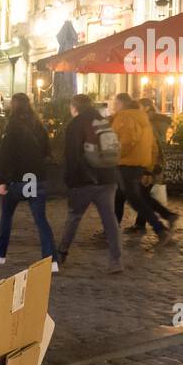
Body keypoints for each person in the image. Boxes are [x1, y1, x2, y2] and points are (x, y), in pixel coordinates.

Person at [0, 93, 57, 270]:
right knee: (41, 220)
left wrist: (2, 181)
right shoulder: (39, 126)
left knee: (7, 215)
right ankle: (51, 260)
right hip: (36, 179)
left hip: (19, 180)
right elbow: (48, 152)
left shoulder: (12, 127)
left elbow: (6, 156)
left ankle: (0, 252)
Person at [56, 94, 122, 274]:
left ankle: (61, 253)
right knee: (109, 219)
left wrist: (70, 179)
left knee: (74, 217)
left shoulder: (76, 124)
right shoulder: (103, 120)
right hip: (108, 177)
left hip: (85, 180)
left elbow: (72, 156)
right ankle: (115, 260)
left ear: (74, 107)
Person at [110, 93, 172, 246]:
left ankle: (161, 229)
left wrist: (114, 156)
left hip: (126, 163)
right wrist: (149, 166)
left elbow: (126, 141)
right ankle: (164, 223)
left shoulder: (125, 117)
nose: (113, 107)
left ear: (122, 104)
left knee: (136, 200)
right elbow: (152, 146)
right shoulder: (143, 118)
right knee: (131, 198)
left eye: (115, 104)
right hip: (139, 163)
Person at [123, 98, 178, 231]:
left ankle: (166, 217)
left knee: (141, 196)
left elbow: (151, 147)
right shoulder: (157, 122)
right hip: (153, 163)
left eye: (139, 108)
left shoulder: (149, 124)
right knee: (142, 195)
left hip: (149, 163)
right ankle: (142, 224)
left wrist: (149, 169)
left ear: (146, 108)